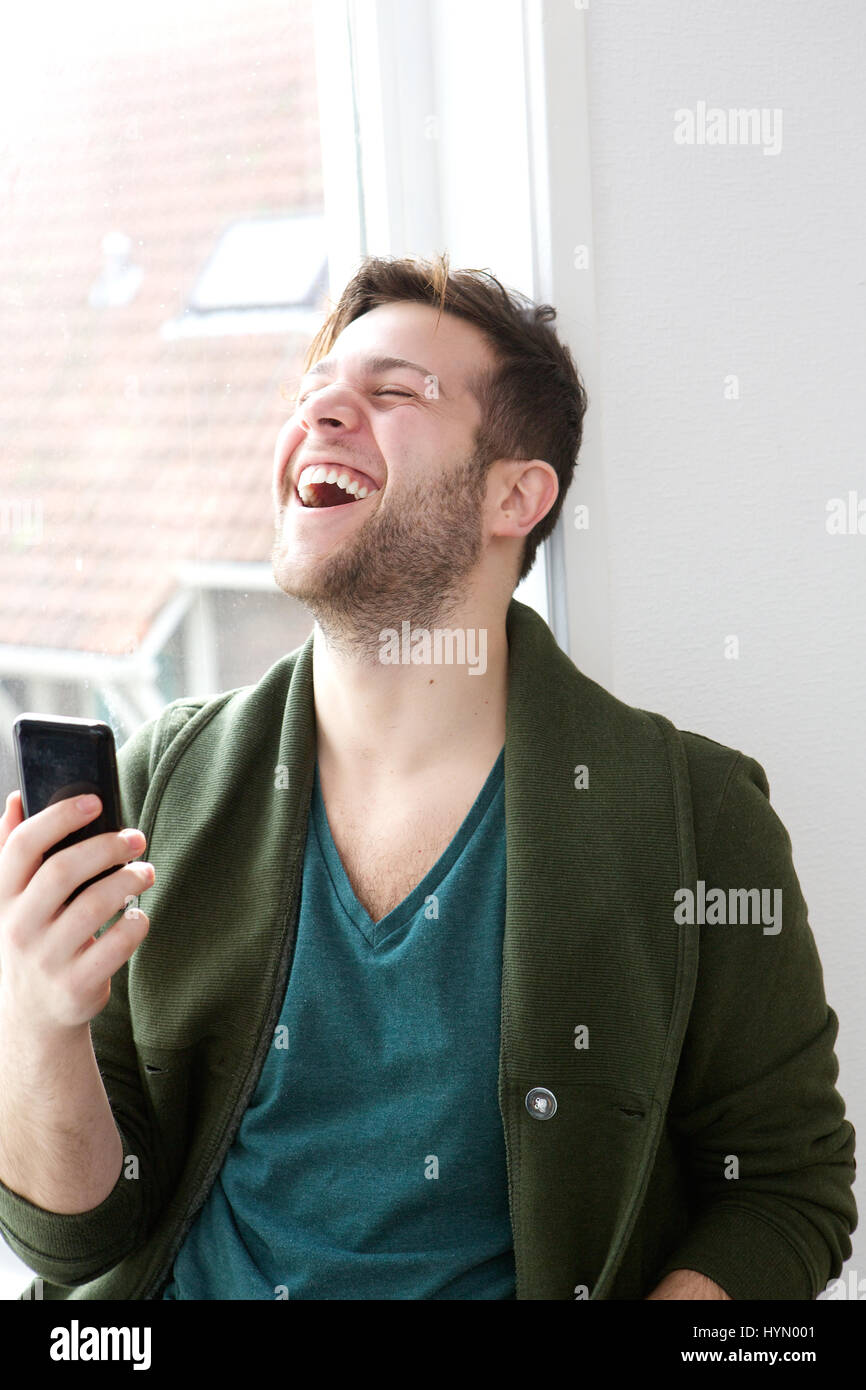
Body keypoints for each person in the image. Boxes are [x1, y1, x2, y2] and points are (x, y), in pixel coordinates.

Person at [0, 254, 856, 1300]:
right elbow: (78, 1240)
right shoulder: (163, 785)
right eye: (312, 396)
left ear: (514, 494)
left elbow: (785, 1187)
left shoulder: (693, 819)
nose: (320, 417)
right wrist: (36, 1023)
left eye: (392, 392)